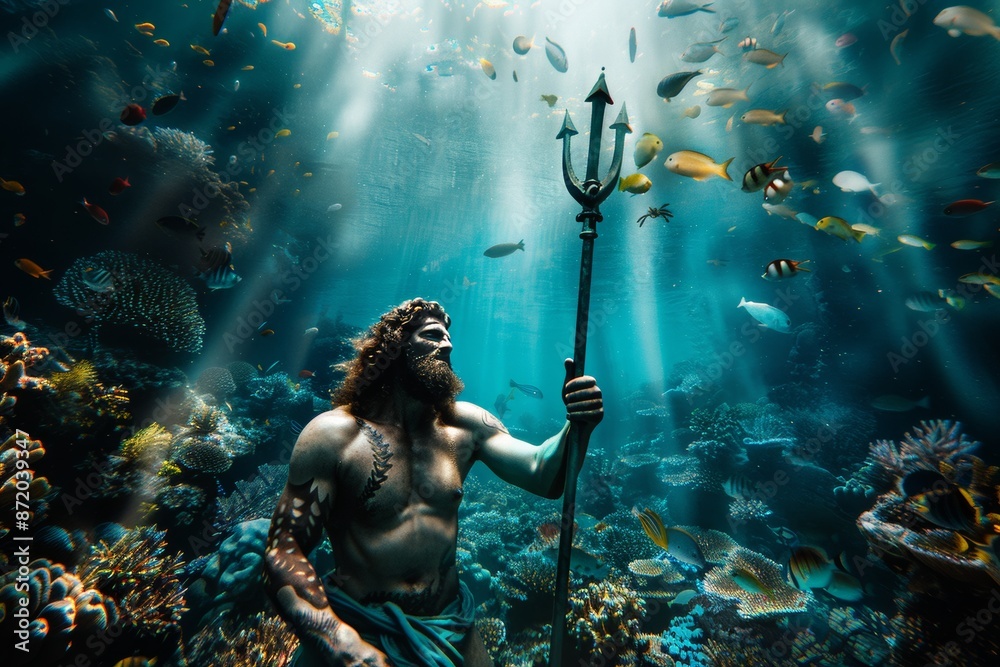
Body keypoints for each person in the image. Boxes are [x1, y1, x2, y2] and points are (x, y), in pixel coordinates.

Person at [263, 298, 603, 667]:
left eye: (449, 336)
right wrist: (334, 638)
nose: (448, 344)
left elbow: (543, 473)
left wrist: (577, 425)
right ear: (394, 345)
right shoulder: (333, 435)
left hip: (452, 629)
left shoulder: (466, 425)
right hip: (357, 629)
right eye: (433, 334)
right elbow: (284, 548)